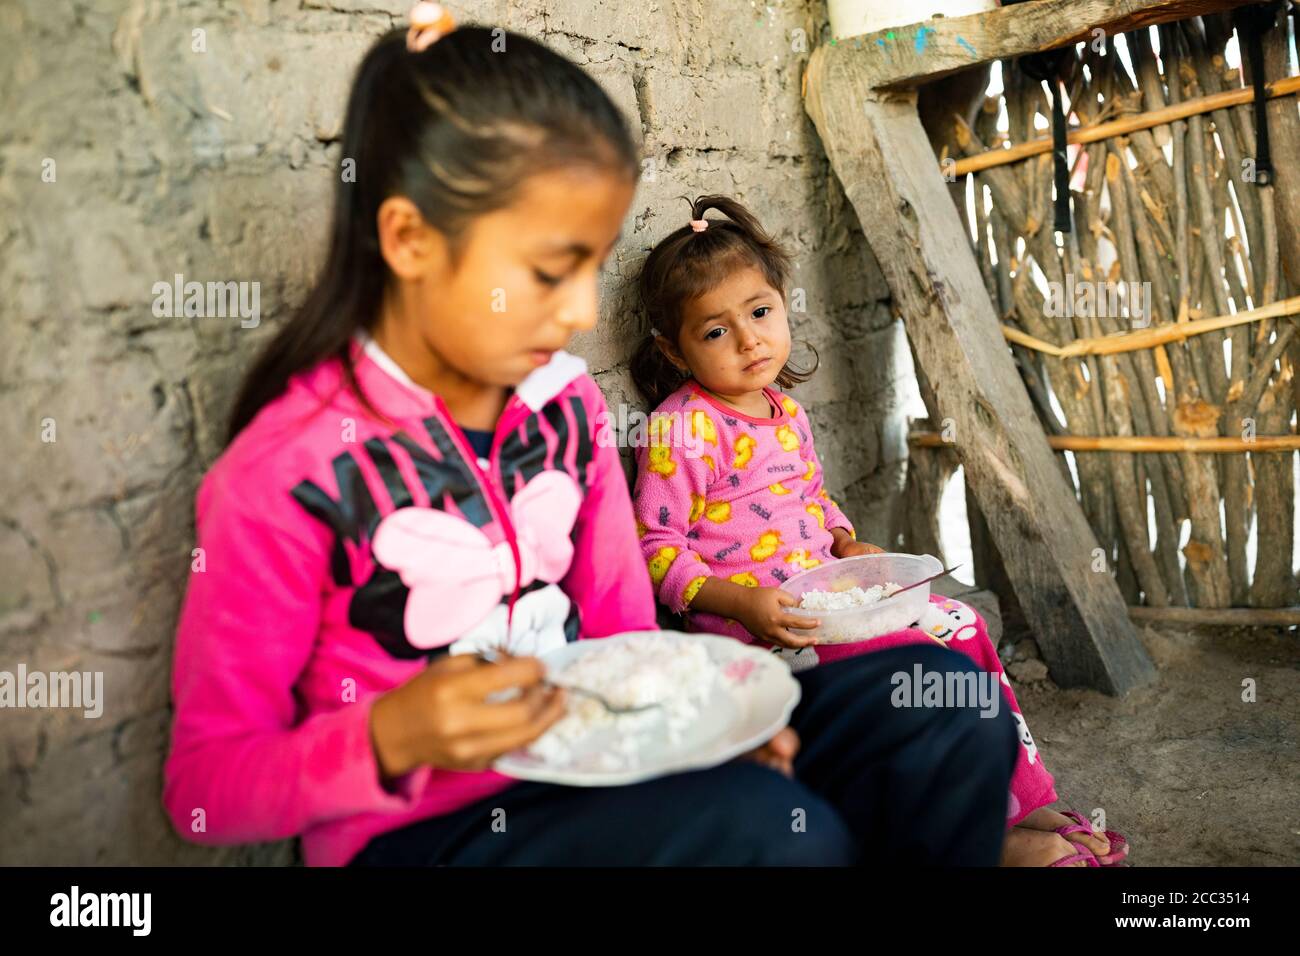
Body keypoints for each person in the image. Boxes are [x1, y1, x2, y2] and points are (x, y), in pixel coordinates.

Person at [162, 5, 1019, 867]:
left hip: (606, 770)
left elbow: (623, 645)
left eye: (591, 266)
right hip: (431, 837)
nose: (577, 312)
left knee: (945, 704)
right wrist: (389, 736)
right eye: (546, 270)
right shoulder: (285, 470)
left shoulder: (564, 407)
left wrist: (711, 730)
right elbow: (206, 786)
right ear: (410, 239)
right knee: (766, 837)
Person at [629, 194, 1128, 867]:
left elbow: (809, 497)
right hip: (763, 637)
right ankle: (988, 839)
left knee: (961, 624)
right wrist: (740, 602)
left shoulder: (786, 411)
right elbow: (655, 552)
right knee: (925, 661)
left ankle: (1024, 797)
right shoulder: (683, 428)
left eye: (759, 312)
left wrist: (842, 542)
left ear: (782, 303)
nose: (749, 340)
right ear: (675, 349)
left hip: (826, 609)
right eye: (715, 331)